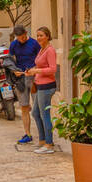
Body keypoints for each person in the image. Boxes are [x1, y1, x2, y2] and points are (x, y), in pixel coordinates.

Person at [26, 26, 57, 155]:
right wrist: (30, 71)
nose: (39, 38)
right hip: (39, 85)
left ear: (48, 36)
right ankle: (43, 140)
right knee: (35, 113)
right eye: (37, 35)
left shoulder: (50, 50)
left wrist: (37, 71)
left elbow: (52, 69)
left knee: (45, 115)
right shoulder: (42, 50)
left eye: (41, 35)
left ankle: (49, 144)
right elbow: (39, 65)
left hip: (47, 86)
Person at [9, 23, 40, 144]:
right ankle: (27, 134)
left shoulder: (34, 43)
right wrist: (14, 70)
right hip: (20, 79)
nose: (20, 40)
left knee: (37, 107)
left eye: (22, 37)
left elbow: (40, 59)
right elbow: (10, 60)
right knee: (24, 107)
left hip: (34, 78)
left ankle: (42, 135)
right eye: (18, 38)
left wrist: (35, 70)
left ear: (26, 33)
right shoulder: (14, 45)